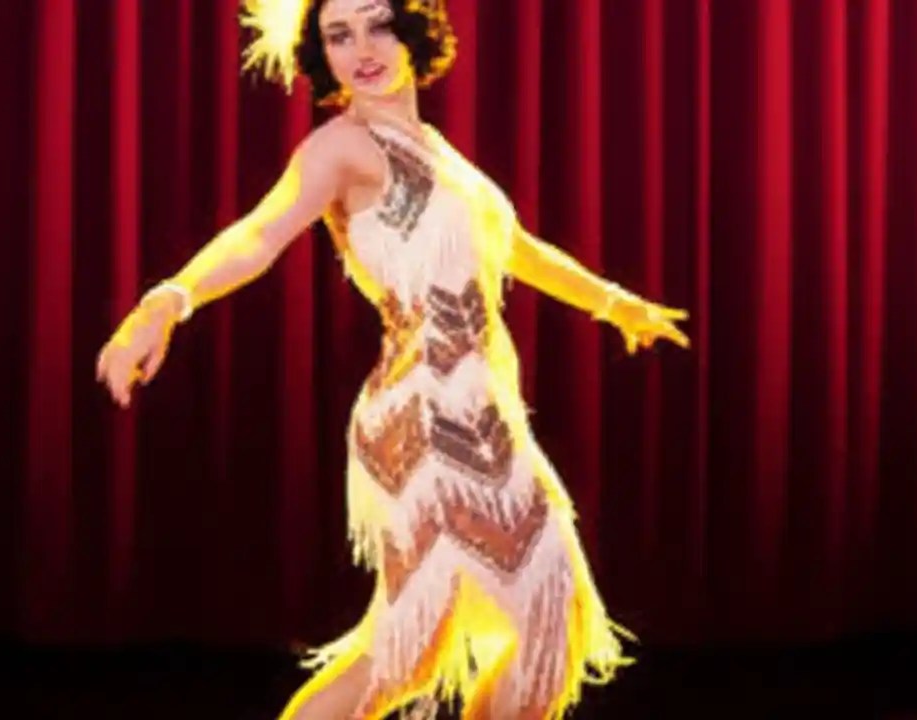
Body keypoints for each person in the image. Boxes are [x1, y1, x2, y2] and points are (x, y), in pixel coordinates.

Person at [96, 0, 690, 717]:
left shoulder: (438, 151)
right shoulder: (342, 147)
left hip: (480, 409)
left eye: (378, 24)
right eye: (338, 35)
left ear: (415, 28)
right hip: (426, 412)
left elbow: (519, 249)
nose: (362, 49)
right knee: (417, 647)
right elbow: (259, 235)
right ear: (321, 55)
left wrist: (616, 303)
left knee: (536, 629)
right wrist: (165, 302)